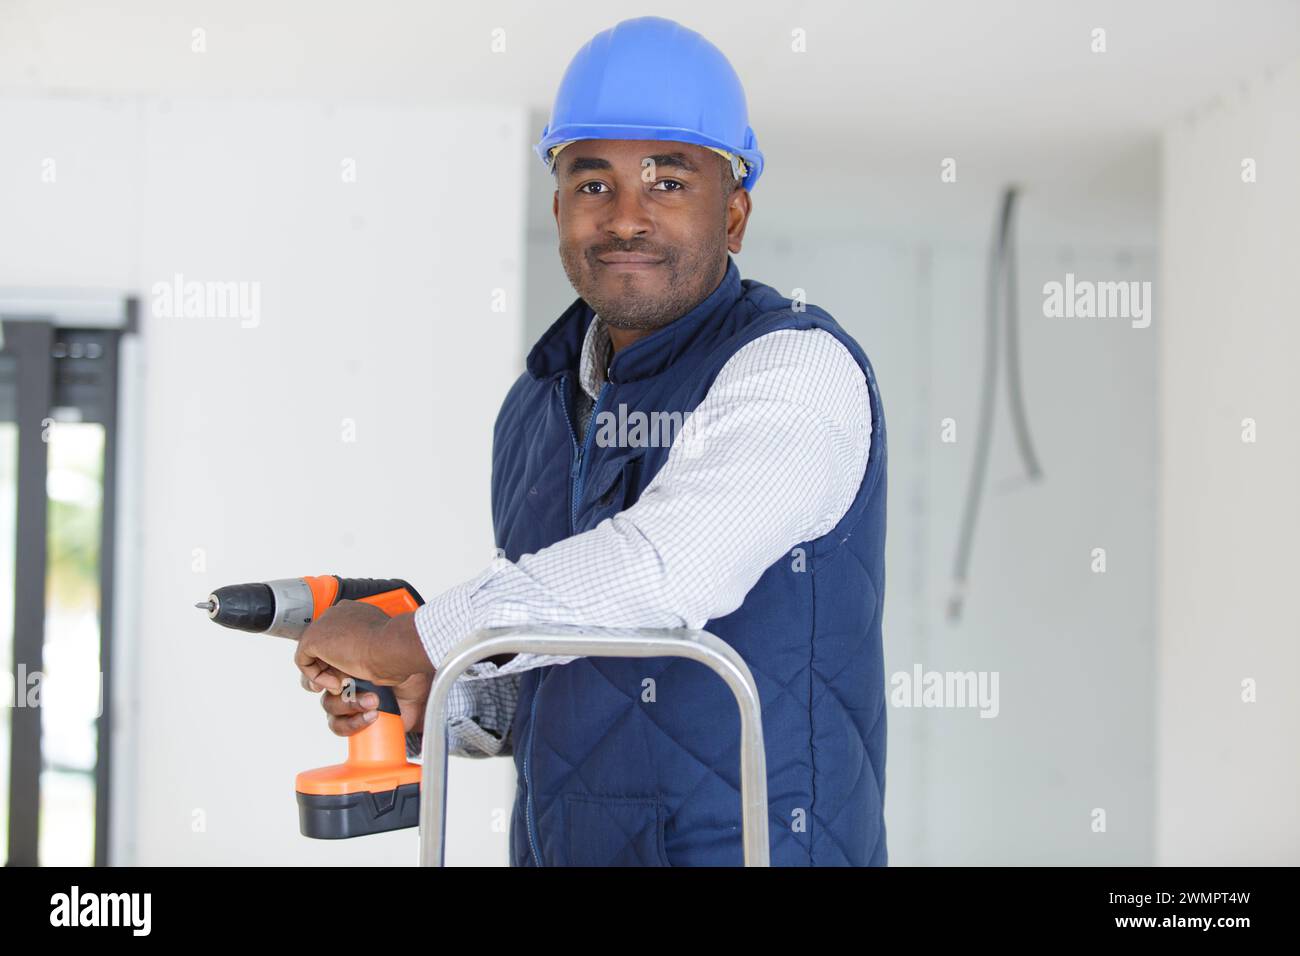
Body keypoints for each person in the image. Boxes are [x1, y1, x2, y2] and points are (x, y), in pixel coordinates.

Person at [294, 15, 889, 866]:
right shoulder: (535, 408)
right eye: (593, 182)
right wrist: (440, 692)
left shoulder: (794, 369)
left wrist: (415, 637)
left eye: (670, 182)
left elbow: (667, 568)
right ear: (559, 206)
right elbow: (558, 676)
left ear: (737, 214)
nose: (626, 219)